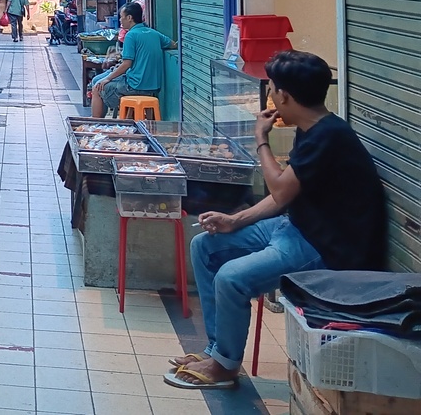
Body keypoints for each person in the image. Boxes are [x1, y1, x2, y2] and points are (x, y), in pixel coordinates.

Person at [165, 50, 386, 391]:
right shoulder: (311, 129)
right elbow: (286, 196)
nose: (269, 97)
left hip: (325, 246)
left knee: (231, 277)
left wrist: (261, 139)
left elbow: (280, 190)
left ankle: (224, 367)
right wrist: (235, 220)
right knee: (205, 247)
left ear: (284, 95)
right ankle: (216, 349)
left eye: (272, 90)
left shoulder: (329, 136)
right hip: (295, 227)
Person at [89, 2, 175, 118]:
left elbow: (126, 64)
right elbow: (173, 45)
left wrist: (108, 79)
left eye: (121, 17)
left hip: (135, 86)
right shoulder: (154, 33)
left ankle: (97, 123)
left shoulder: (131, 35)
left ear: (129, 18)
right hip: (154, 86)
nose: (120, 20)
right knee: (98, 80)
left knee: (97, 87)